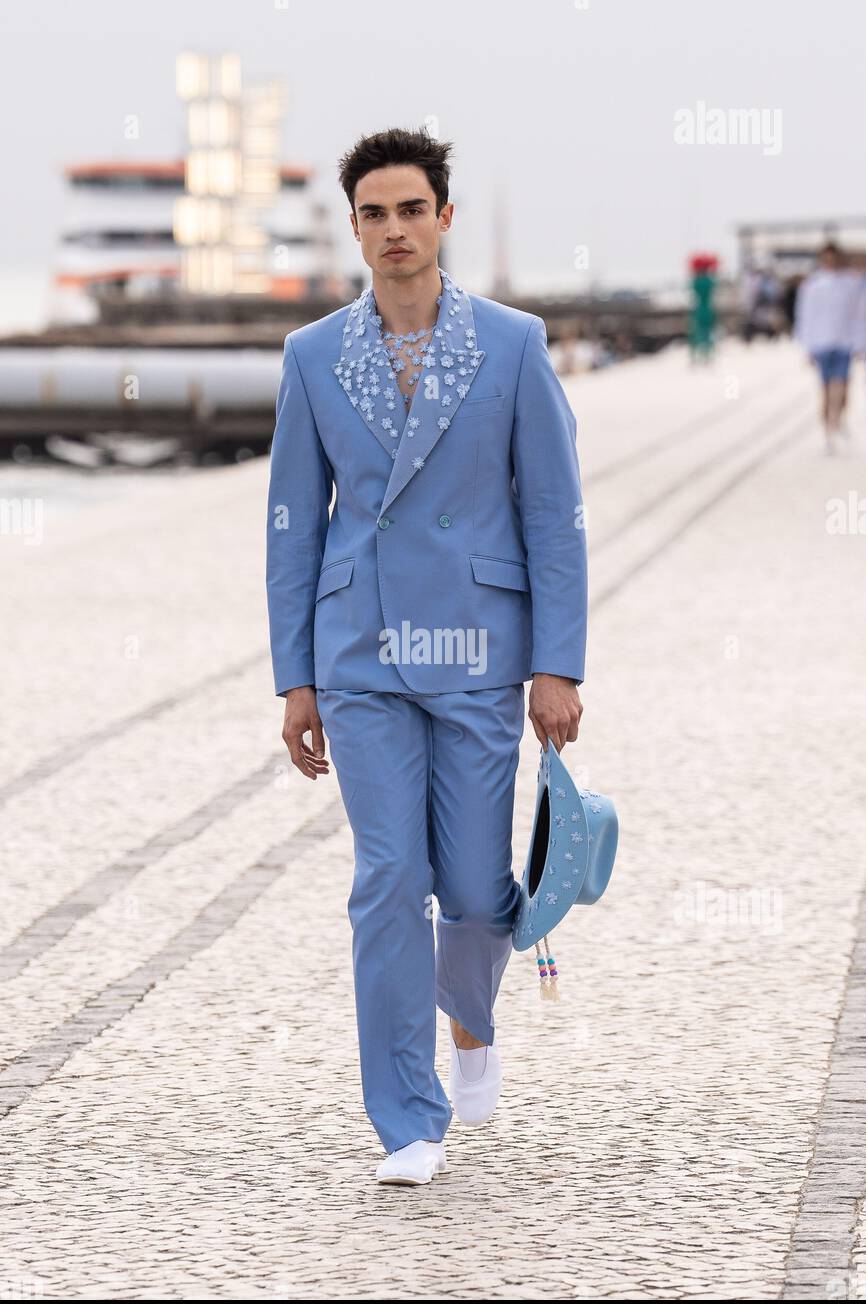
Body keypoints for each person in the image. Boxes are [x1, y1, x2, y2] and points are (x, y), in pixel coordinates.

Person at [265, 127, 587, 1185]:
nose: (393, 230)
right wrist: (296, 677)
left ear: (442, 219)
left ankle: (471, 1021)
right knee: (388, 876)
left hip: (476, 649)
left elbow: (551, 514)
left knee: (476, 890)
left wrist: (557, 663)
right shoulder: (312, 356)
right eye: (373, 213)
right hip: (359, 652)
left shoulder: (511, 345)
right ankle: (405, 1115)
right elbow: (292, 525)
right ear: (353, 226)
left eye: (411, 209)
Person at [793, 242, 863, 453]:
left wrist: (861, 343)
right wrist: (806, 345)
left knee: (841, 390)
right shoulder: (813, 285)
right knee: (825, 392)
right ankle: (828, 433)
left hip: (844, 342)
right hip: (821, 343)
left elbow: (859, 316)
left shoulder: (850, 283)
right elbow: (805, 316)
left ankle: (837, 420)